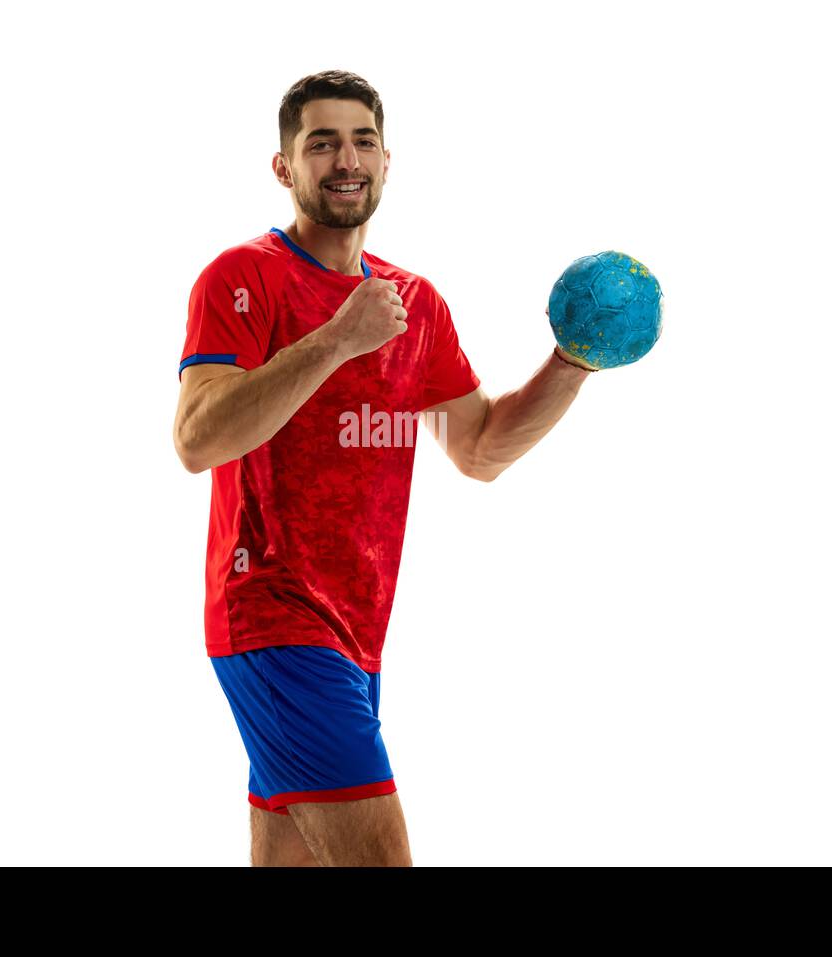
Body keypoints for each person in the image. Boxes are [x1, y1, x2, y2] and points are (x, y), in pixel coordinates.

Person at [173, 70, 598, 867]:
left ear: (387, 160)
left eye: (363, 140)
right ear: (284, 167)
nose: (346, 159)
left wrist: (573, 362)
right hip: (271, 616)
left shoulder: (415, 304)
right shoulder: (243, 277)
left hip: (358, 637)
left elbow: (480, 447)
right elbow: (197, 438)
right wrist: (336, 338)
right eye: (322, 142)